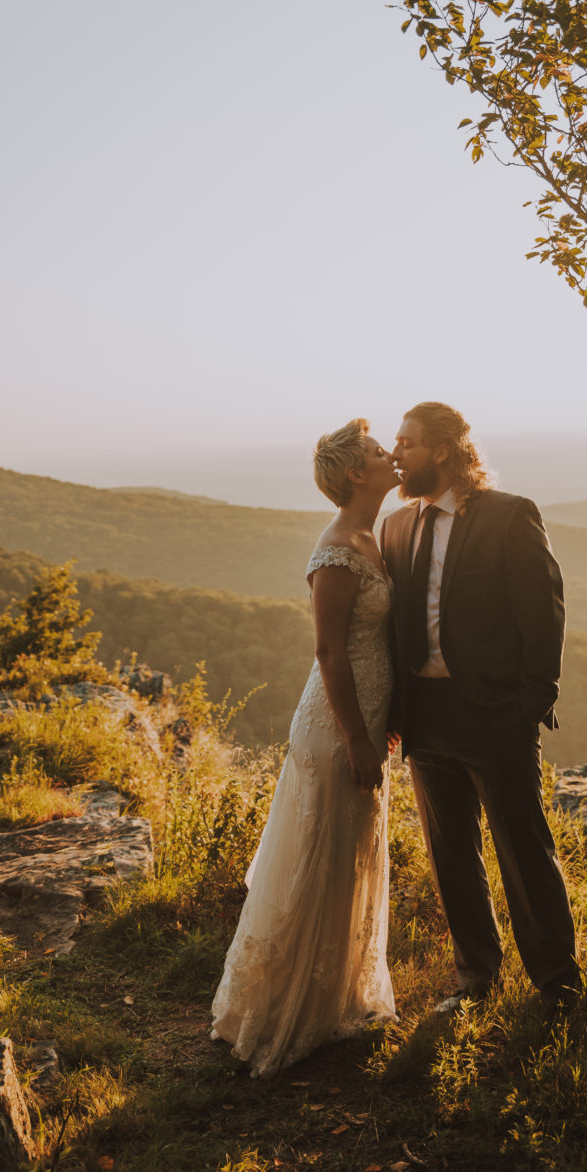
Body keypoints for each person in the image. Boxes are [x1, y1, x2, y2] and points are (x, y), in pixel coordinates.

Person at [211, 419, 400, 1076]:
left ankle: (335, 999)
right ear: (355, 473)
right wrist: (357, 739)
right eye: (377, 450)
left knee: (349, 858)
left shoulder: (373, 535)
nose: (389, 454)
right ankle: (284, 1012)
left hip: (365, 720)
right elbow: (328, 653)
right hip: (335, 729)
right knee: (318, 862)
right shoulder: (338, 550)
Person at [381, 401, 580, 1014]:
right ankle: (476, 982)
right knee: (451, 859)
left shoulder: (508, 515)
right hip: (425, 715)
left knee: (524, 853)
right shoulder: (396, 526)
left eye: (407, 443)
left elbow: (544, 613)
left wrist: (528, 705)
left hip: (496, 715)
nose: (396, 453)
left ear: (443, 450)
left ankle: (558, 987)